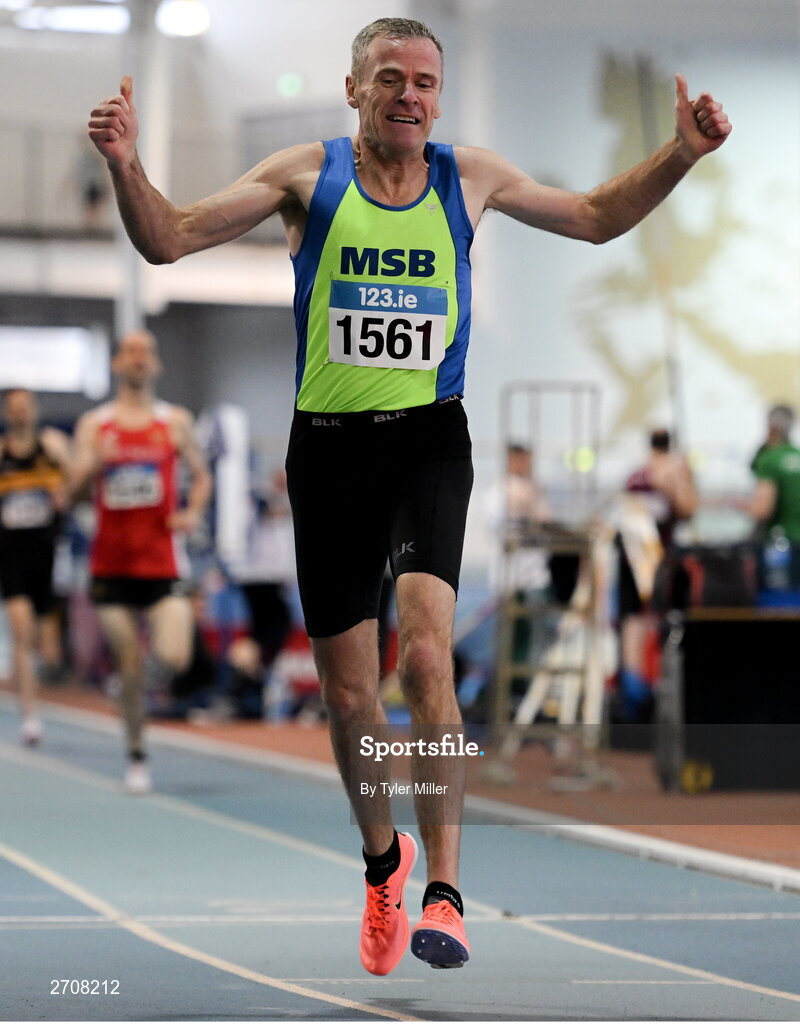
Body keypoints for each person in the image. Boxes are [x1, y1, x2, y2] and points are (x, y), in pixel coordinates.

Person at [87, 16, 731, 971]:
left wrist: (679, 153)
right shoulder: (306, 176)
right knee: (352, 697)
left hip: (429, 441)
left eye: (425, 81)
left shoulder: (470, 179)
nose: (409, 95)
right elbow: (167, 240)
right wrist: (125, 165)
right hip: (328, 454)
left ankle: (447, 893)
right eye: (390, 77)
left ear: (439, 96)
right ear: (355, 88)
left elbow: (595, 217)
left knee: (427, 659)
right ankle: (383, 864)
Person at [70, 330, 211, 794]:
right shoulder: (95, 425)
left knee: (174, 655)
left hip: (162, 563)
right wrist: (94, 464)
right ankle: (136, 754)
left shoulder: (175, 422)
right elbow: (70, 495)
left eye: (147, 352)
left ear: (156, 364)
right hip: (110, 566)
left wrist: (192, 511)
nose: (139, 359)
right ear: (116, 363)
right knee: (128, 661)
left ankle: (133, 687)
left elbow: (202, 477)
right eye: (131, 352)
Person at [0, 389, 71, 745]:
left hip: (48, 555)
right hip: (11, 555)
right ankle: (30, 716)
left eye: (25, 407)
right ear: (6, 413)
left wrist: (64, 495)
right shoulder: (1, 453)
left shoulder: (53, 448)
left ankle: (36, 690)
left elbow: (78, 486)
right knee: (20, 630)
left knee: (47, 648)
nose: (20, 413)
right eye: (14, 408)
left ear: (35, 410)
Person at [616, 428, 698, 719]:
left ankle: (638, 687)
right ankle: (642, 690)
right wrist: (676, 484)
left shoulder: (639, 474)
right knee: (653, 620)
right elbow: (689, 508)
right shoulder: (669, 472)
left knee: (636, 621)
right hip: (651, 558)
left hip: (639, 558)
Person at [748, 404, 800, 543]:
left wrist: (740, 506)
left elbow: (762, 510)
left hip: (781, 542)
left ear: (771, 427)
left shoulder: (769, 459)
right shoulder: (797, 454)